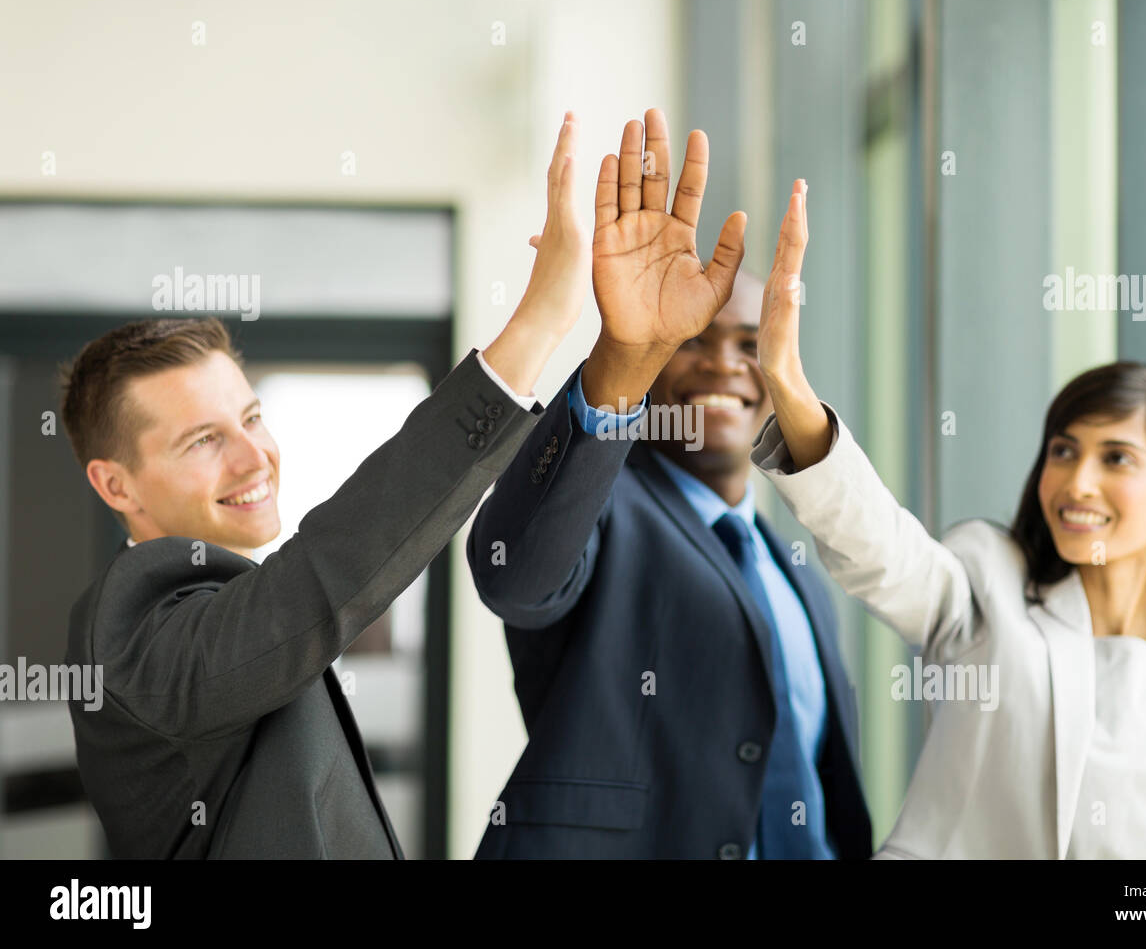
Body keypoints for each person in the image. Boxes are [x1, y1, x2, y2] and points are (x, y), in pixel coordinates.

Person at [60, 112, 594, 858]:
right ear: (115, 485)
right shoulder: (128, 627)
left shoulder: (214, 614)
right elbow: (323, 573)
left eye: (251, 417)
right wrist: (538, 324)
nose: (255, 458)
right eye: (205, 440)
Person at [748, 178, 1146, 858]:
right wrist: (788, 384)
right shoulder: (990, 585)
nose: (1076, 481)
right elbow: (879, 547)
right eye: (1064, 450)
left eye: (1117, 458)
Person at [467, 109, 871, 859]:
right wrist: (625, 355)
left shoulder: (800, 575)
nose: (723, 364)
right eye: (692, 340)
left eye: (750, 345)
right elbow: (514, 577)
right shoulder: (603, 504)